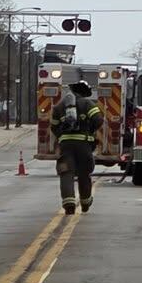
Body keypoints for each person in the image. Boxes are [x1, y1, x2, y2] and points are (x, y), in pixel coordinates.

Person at [56, 80, 105, 215]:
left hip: (66, 146)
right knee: (84, 174)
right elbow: (98, 120)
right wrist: (90, 131)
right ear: (84, 93)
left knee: (66, 173)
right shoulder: (88, 104)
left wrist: (62, 136)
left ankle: (69, 203)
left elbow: (54, 126)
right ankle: (85, 203)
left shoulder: (59, 107)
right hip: (84, 146)